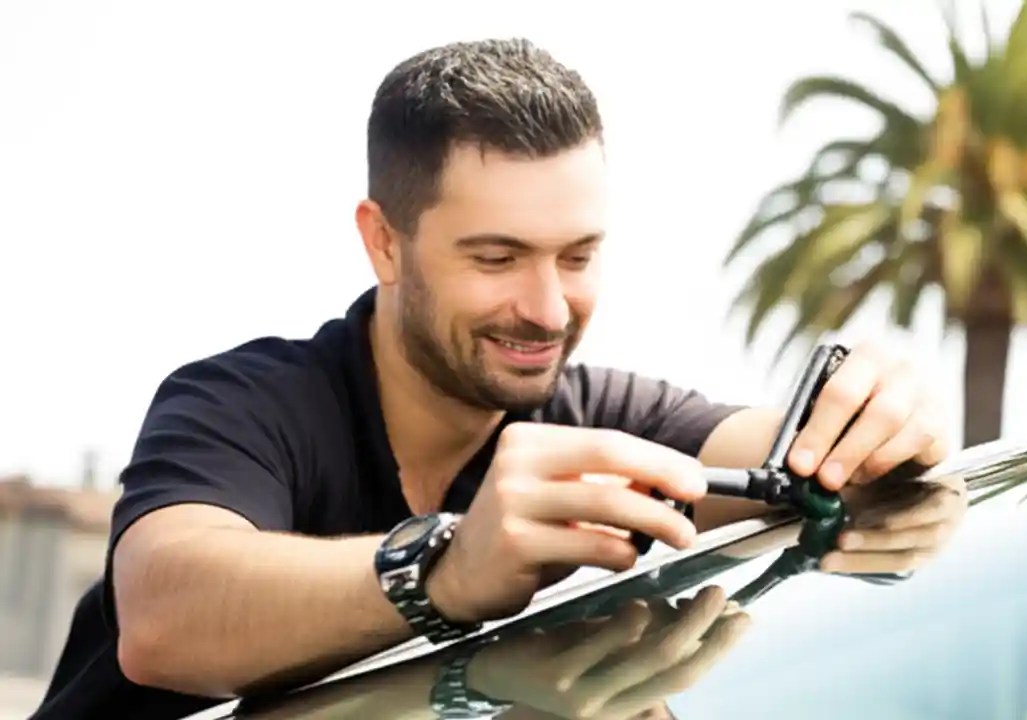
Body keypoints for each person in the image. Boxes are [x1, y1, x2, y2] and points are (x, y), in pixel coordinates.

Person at [32, 37, 955, 720]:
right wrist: (443, 571)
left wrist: (880, 426)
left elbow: (797, 458)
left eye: (578, 255)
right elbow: (163, 620)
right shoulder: (248, 404)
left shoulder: (602, 417)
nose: (549, 309)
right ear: (383, 242)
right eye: (498, 257)